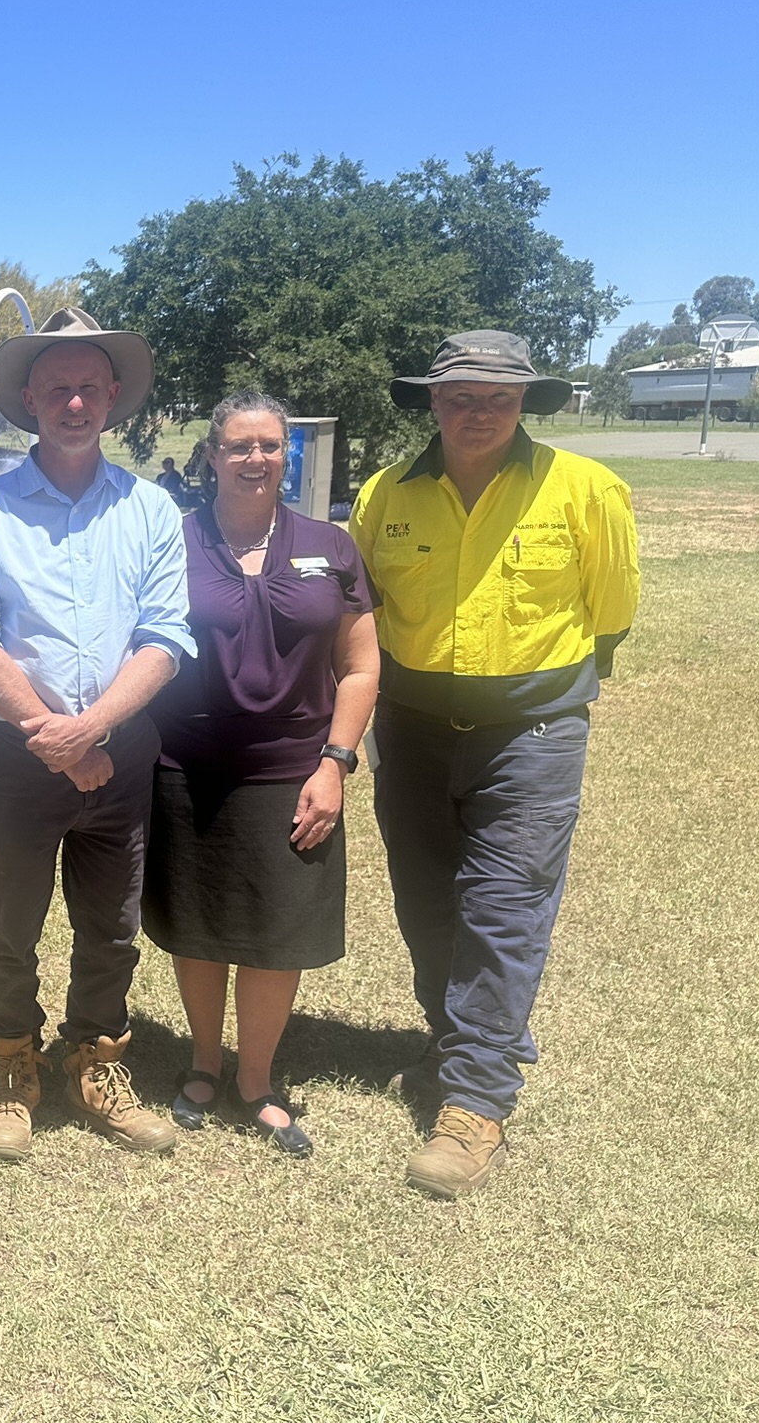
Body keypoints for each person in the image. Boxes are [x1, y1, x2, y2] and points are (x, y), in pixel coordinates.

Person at [351, 331, 639, 1199]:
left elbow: (612, 614)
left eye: (498, 398)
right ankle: (461, 1037)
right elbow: (360, 619)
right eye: (461, 397)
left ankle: (476, 1102)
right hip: (409, 730)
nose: (478, 413)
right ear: (431, 403)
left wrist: (533, 691)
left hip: (533, 734)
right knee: (427, 901)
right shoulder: (382, 497)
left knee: (504, 908)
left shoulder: (585, 490)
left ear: (526, 404)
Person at [0, 308, 196, 1163]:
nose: (75, 401)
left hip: (120, 753)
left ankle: (97, 1058)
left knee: (111, 922)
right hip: (18, 760)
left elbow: (167, 637)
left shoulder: (152, 508)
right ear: (28, 399)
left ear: (113, 396)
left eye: (90, 386)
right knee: (12, 921)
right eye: (58, 388)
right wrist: (56, 737)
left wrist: (93, 731)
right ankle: (12, 1064)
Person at [143, 393, 379, 1158]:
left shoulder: (330, 545)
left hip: (295, 771)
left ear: (288, 455)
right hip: (187, 766)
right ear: (211, 456)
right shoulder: (168, 541)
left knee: (278, 933)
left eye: (270, 446)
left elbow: (361, 665)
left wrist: (336, 764)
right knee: (202, 927)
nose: (255, 459)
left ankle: (257, 1080)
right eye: (239, 446)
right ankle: (204, 1063)